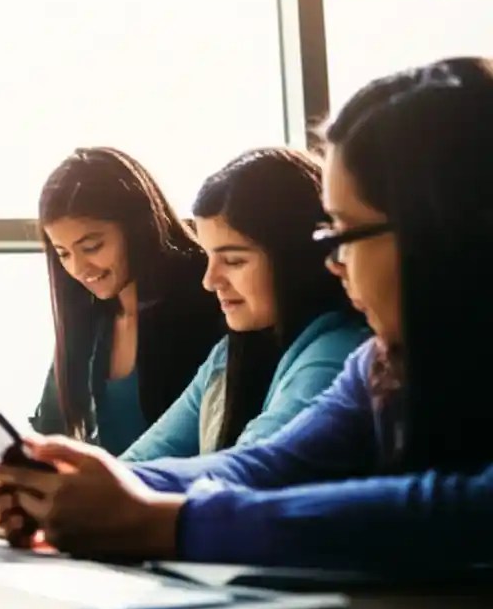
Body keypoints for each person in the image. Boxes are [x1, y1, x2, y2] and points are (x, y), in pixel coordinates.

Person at [0, 58, 493, 572]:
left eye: (345, 233)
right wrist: (78, 488)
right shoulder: (376, 367)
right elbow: (270, 464)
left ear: (443, 233)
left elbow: (459, 509)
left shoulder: (335, 346)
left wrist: (164, 522)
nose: (334, 262)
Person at [121, 148, 369, 462]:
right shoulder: (230, 354)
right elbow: (150, 454)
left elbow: (250, 469)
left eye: (234, 261)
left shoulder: (338, 352)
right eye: (209, 257)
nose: (209, 281)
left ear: (296, 259)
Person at [31, 148, 223, 454]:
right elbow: (49, 430)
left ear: (137, 227)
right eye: (63, 253)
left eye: (92, 247)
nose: (78, 269)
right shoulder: (87, 317)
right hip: (108, 484)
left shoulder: (210, 304)